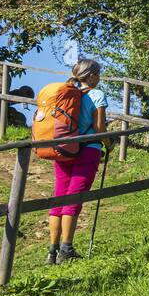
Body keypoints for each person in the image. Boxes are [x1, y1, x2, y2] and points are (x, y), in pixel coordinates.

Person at [47, 58, 110, 264]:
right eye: (98, 74)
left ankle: (52, 251)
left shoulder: (66, 93)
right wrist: (109, 143)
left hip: (64, 150)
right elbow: (99, 128)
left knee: (59, 198)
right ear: (91, 76)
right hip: (88, 150)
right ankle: (66, 249)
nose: (99, 78)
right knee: (74, 198)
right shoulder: (96, 94)